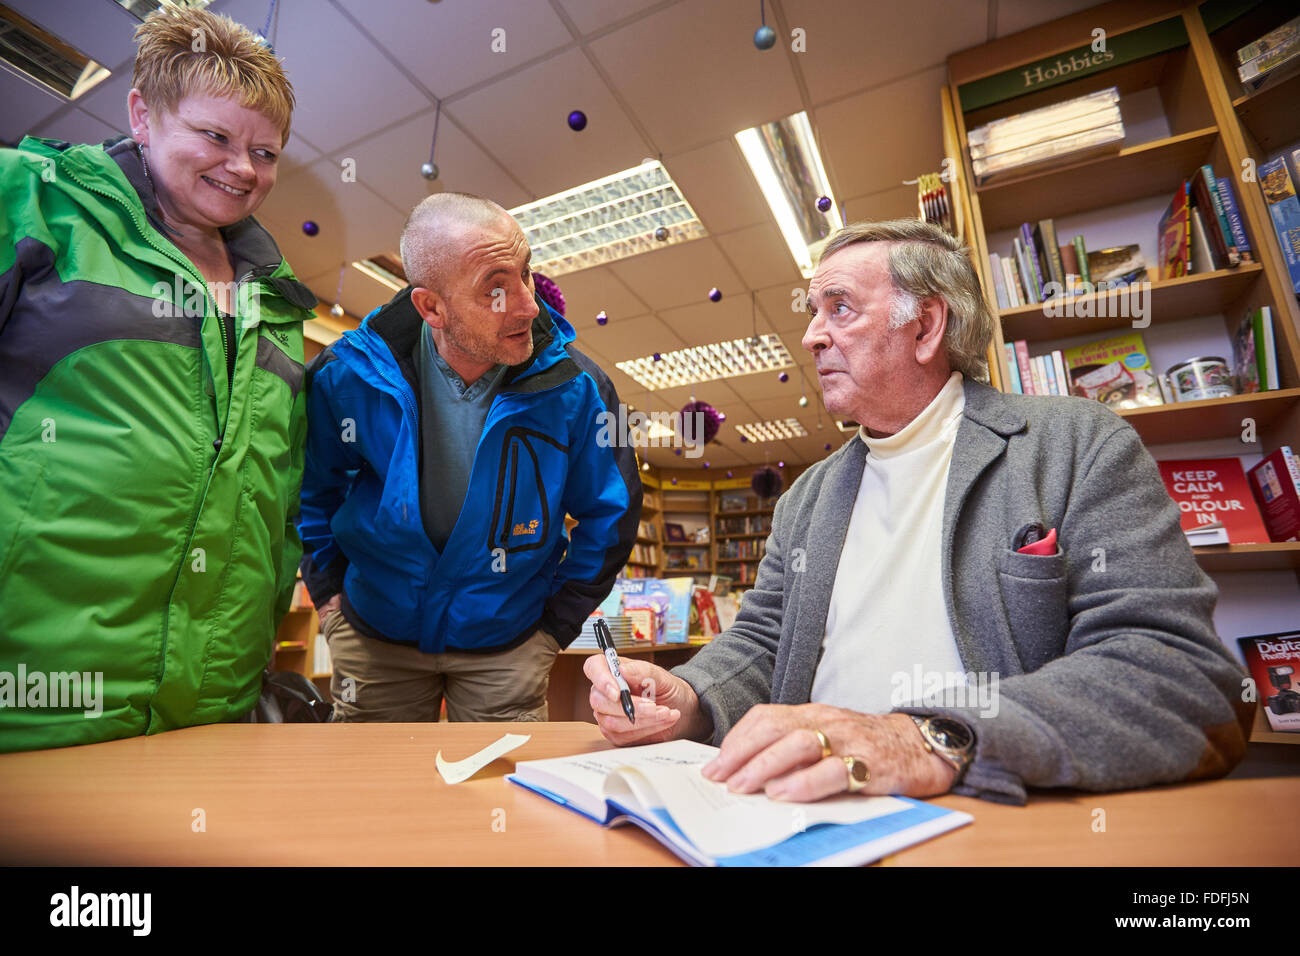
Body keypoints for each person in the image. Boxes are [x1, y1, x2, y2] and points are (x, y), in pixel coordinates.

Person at [586, 218, 1252, 805]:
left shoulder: (1077, 445)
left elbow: (1179, 678)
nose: (813, 335)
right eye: (813, 311)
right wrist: (693, 697)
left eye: (839, 307)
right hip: (800, 809)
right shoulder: (808, 497)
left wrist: (923, 738)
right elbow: (764, 642)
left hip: (986, 805)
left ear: (927, 326)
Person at [0, 8, 315, 752]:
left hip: (212, 708)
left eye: (265, 153)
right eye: (216, 137)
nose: (244, 169)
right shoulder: (31, 198)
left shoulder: (277, 298)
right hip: (34, 703)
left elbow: (280, 494)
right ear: (142, 114)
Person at [298, 193, 640, 722]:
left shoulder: (577, 388)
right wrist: (329, 601)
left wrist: (554, 628)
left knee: (499, 800)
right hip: (375, 639)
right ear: (431, 307)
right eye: (496, 290)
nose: (528, 304)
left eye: (526, 274)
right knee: (370, 798)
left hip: (507, 646)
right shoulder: (347, 377)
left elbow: (610, 514)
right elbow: (309, 493)